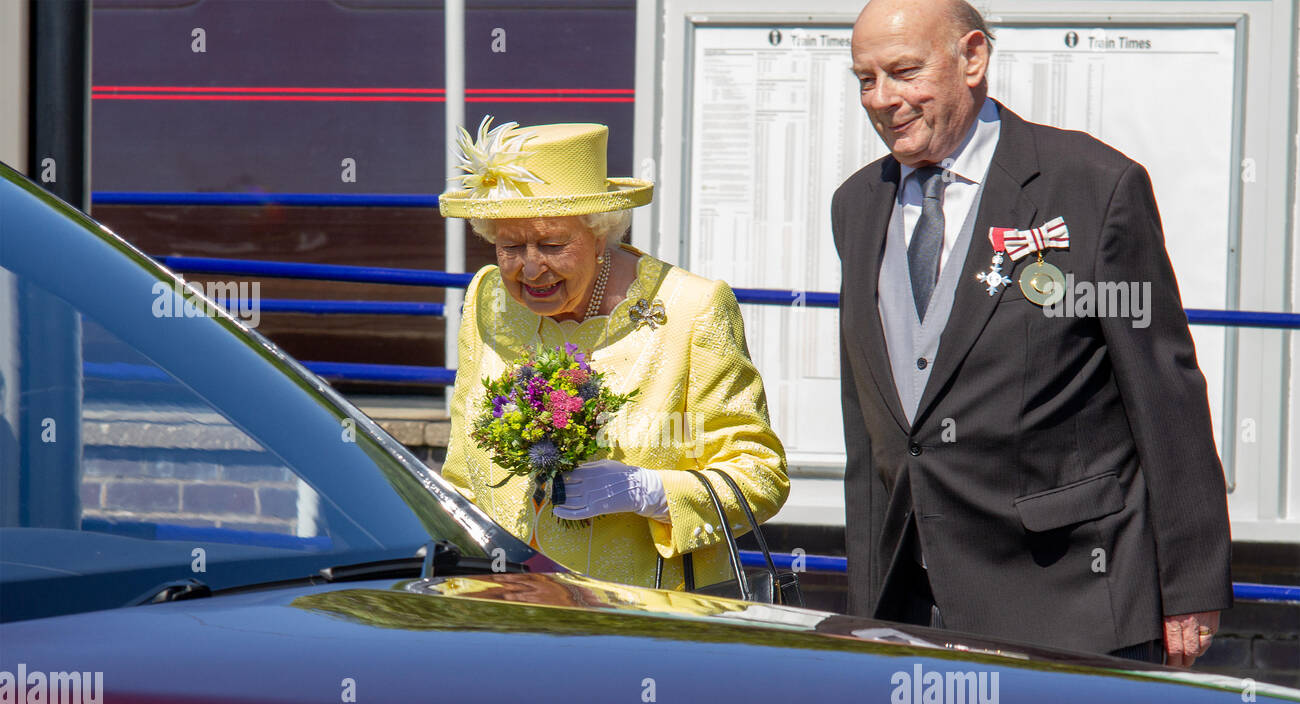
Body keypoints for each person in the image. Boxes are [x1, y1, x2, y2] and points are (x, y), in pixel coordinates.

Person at [833, 0, 1232, 664]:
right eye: (865, 80)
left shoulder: (1093, 186)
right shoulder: (857, 204)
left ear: (973, 59)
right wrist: (865, 605)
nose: (883, 99)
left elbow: (1166, 398)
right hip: (910, 608)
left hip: (1072, 602)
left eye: (903, 72)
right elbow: (871, 423)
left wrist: (1189, 583)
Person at [439, 119, 789, 589]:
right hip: (507, 602)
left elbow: (760, 476)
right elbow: (463, 465)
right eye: (510, 246)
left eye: (552, 244)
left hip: (644, 617)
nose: (530, 266)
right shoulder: (489, 298)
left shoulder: (692, 310)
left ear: (601, 234)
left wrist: (651, 493)